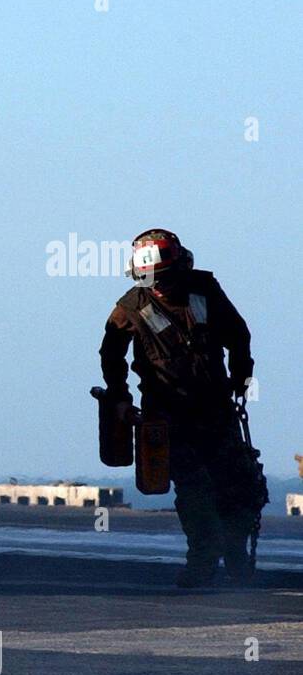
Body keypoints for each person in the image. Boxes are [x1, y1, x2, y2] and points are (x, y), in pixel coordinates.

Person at [99, 229, 257, 588]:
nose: (158, 288)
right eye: (150, 281)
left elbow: (238, 334)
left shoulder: (205, 291)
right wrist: (119, 396)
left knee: (236, 483)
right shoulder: (130, 307)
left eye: (164, 279)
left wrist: (241, 378)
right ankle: (202, 559)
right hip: (167, 414)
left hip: (216, 408)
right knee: (193, 487)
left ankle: (235, 553)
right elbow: (111, 353)